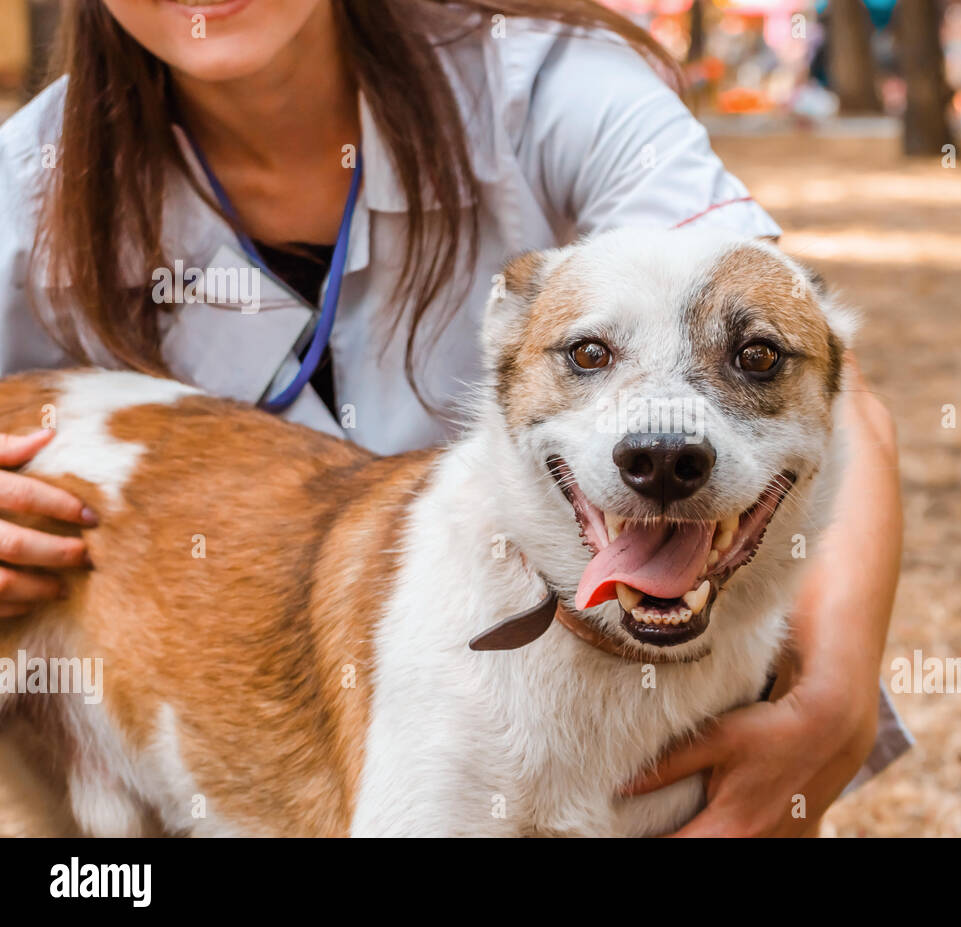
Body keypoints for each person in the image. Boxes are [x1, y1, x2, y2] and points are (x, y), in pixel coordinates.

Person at [0, 0, 907, 836]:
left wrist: (831, 698)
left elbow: (822, 364)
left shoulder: (546, 81)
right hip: (243, 634)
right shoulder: (31, 175)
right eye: (589, 352)